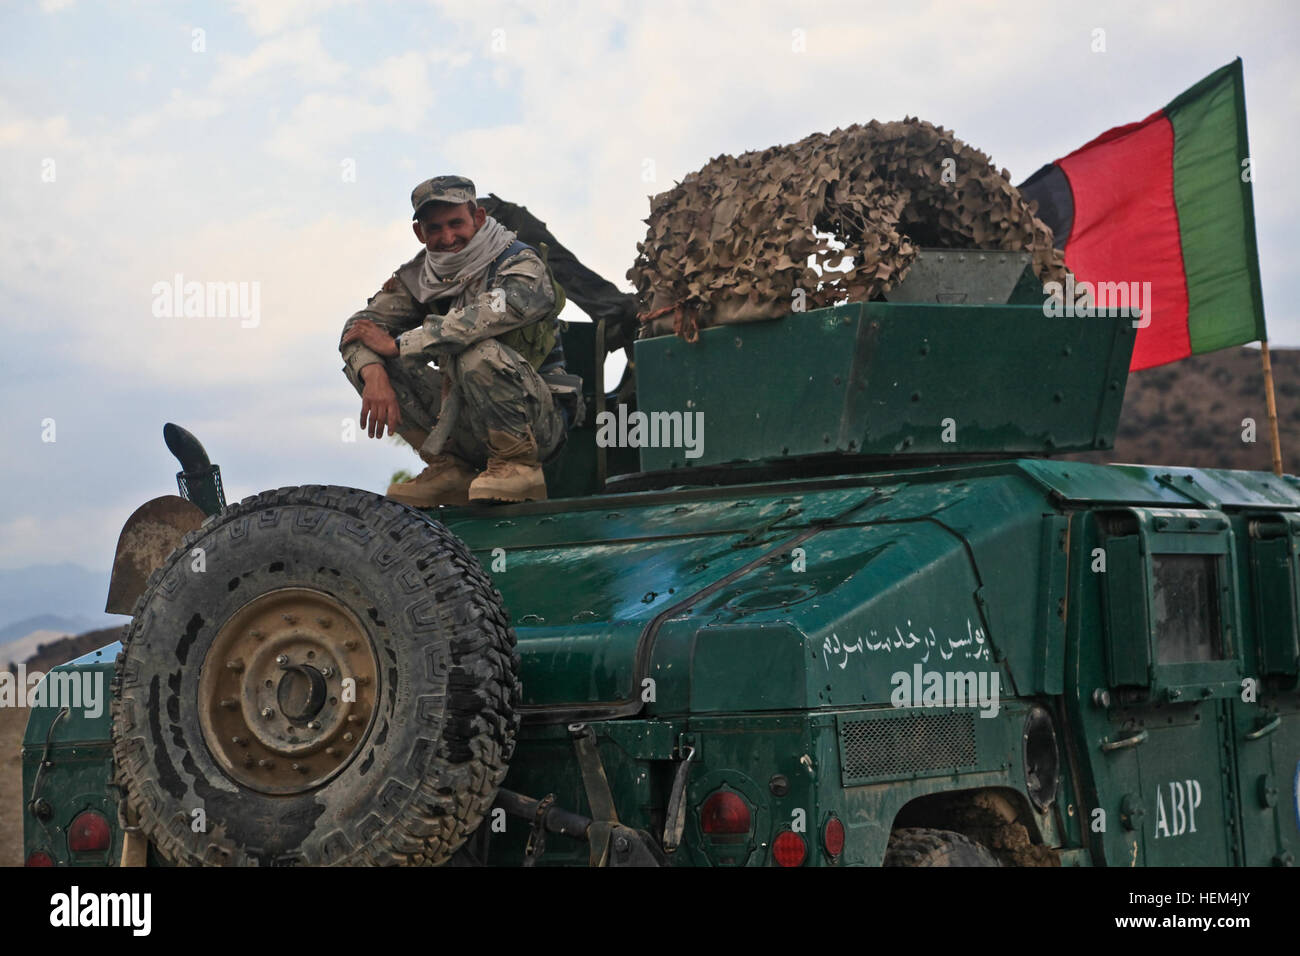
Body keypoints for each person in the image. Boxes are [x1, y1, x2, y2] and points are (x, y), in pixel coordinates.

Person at [340, 176, 568, 505]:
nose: (447, 238)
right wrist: (373, 372)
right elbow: (359, 328)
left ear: (478, 217)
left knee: (476, 351)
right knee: (371, 361)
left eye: (456, 223)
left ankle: (518, 467)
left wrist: (401, 344)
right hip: (465, 420)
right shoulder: (421, 276)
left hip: (537, 425)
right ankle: (451, 469)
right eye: (435, 228)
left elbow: (480, 320)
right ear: (420, 233)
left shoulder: (520, 263)